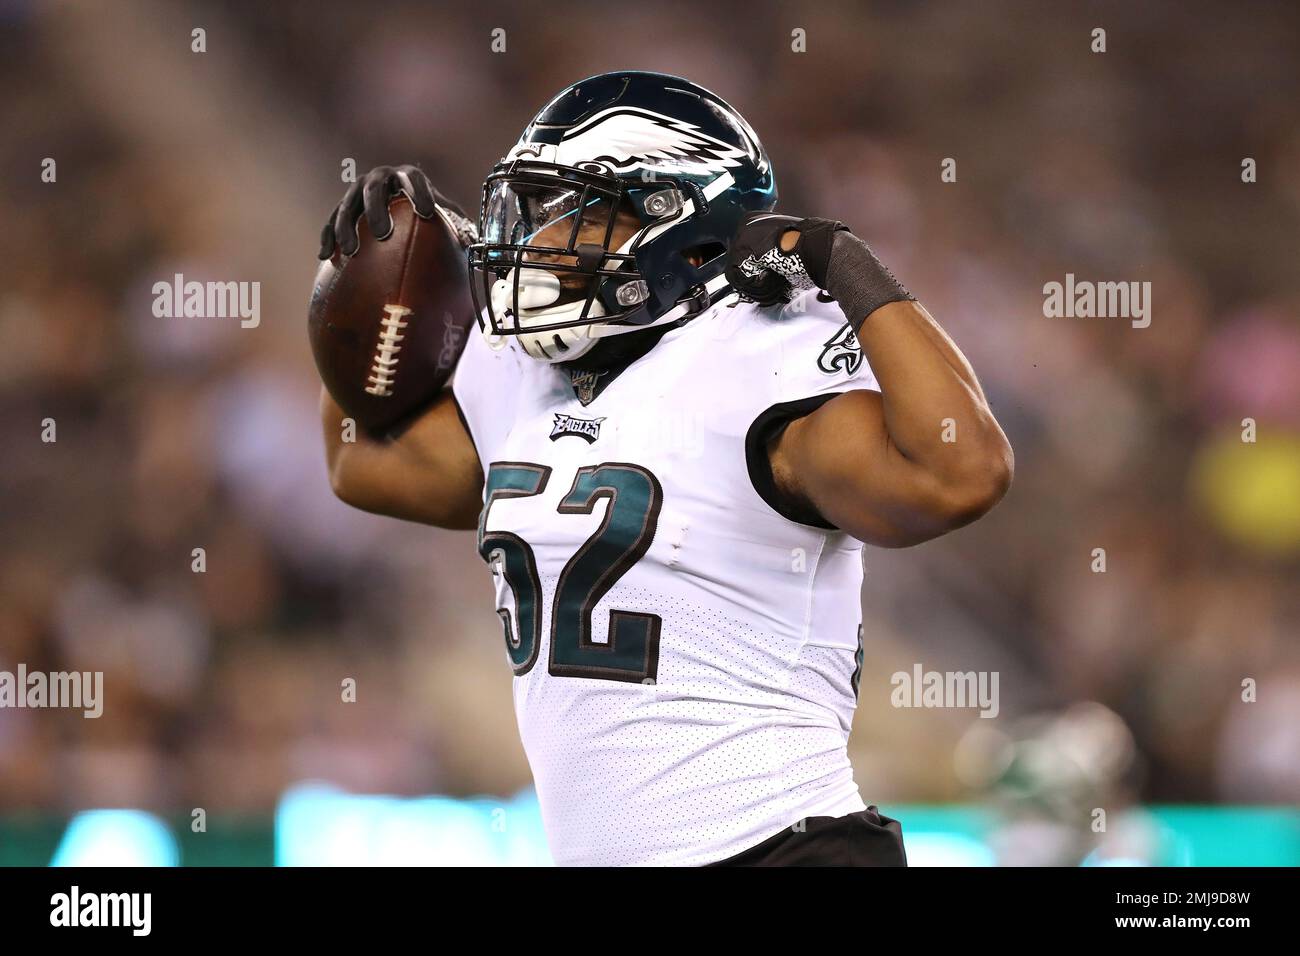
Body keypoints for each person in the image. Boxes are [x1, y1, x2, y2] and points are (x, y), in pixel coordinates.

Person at [317, 71, 1013, 865]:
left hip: (781, 849)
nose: (537, 243)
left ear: (681, 227)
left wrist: (842, 262)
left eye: (576, 213)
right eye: (536, 213)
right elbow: (355, 458)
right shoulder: (516, 370)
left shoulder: (764, 362)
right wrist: (370, 289)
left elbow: (963, 473)